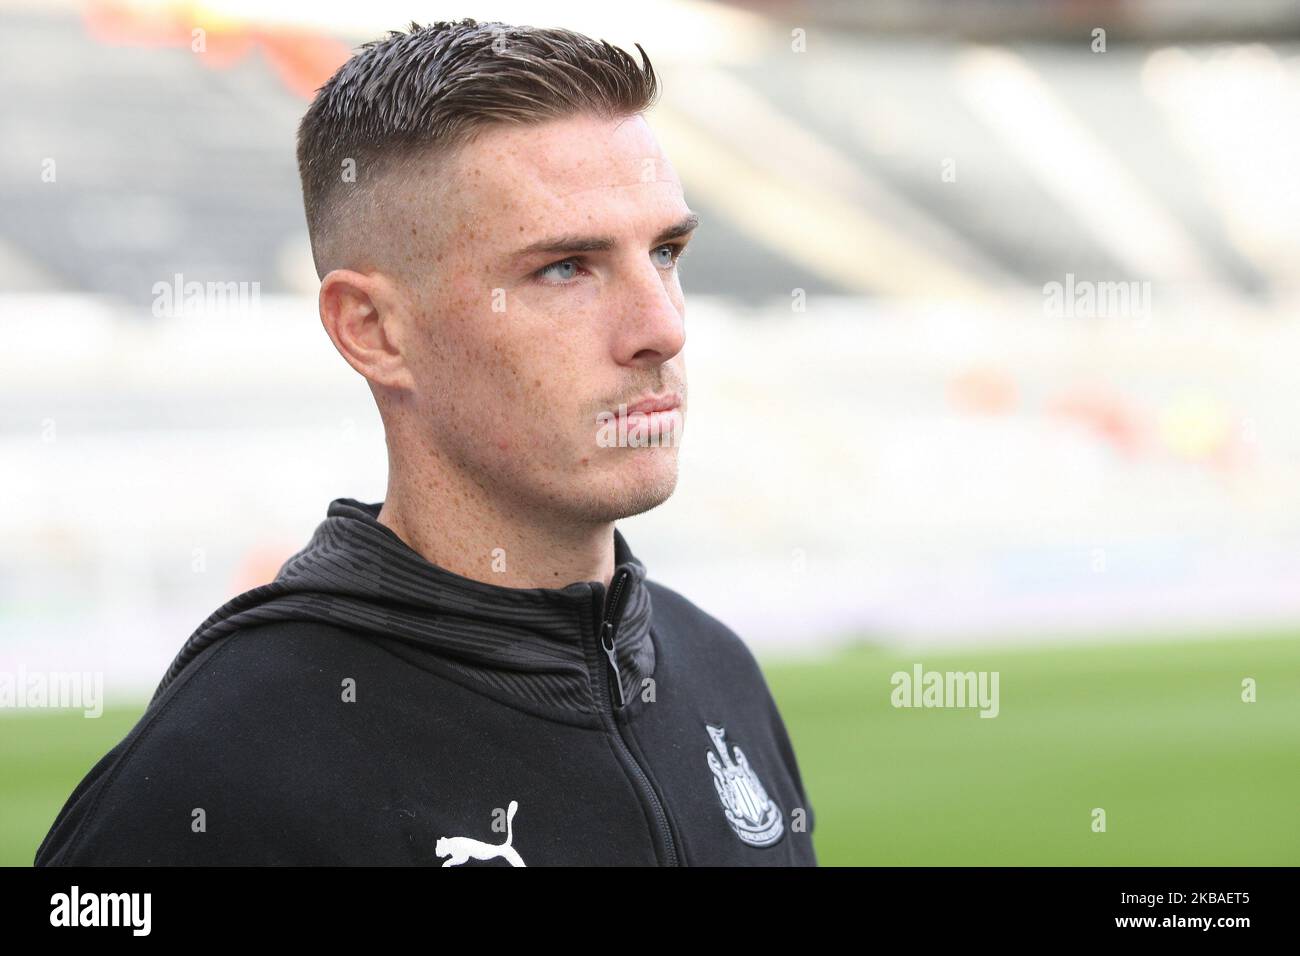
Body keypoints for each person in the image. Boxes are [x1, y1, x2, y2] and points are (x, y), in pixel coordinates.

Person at [34, 18, 817, 866]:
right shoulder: (221, 768)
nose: (661, 328)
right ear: (372, 330)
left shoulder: (719, 672)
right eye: (565, 268)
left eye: (665, 251)